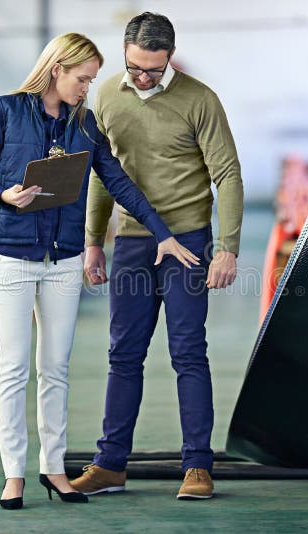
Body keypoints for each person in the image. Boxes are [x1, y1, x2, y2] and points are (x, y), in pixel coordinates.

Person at [0, 32, 198, 510]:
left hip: (63, 261)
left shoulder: (85, 124)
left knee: (55, 370)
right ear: (58, 69)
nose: (87, 88)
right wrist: (4, 195)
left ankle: (54, 468)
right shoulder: (6, 111)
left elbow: (120, 183)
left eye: (92, 80)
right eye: (83, 79)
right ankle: (14, 475)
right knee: (12, 369)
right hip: (11, 257)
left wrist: (161, 233)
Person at [70, 12, 244, 500]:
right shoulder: (106, 95)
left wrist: (226, 249)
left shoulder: (200, 100)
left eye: (154, 69)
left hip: (187, 242)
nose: (144, 77)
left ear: (170, 56)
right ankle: (110, 465)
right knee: (123, 354)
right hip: (131, 241)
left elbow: (228, 175)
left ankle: (197, 466)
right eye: (135, 67)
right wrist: (92, 240)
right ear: (124, 53)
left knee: (188, 351)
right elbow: (102, 172)